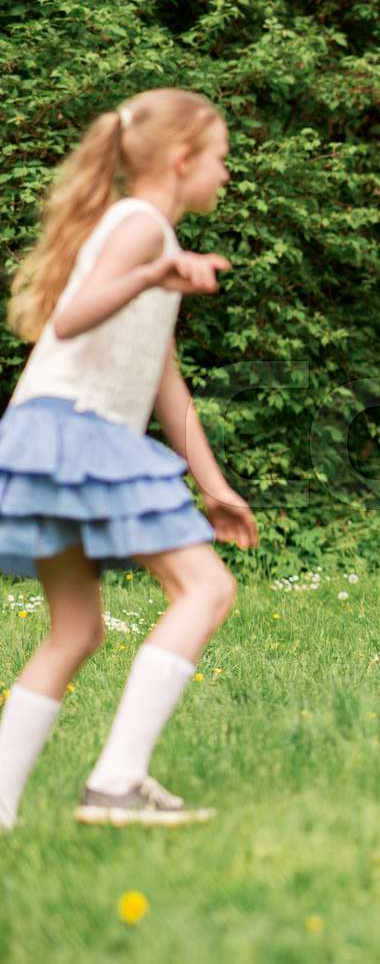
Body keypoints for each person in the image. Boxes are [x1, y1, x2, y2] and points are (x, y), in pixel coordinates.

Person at [0, 89, 258, 830]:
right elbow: (70, 317)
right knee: (205, 589)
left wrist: (213, 487)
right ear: (183, 161)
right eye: (221, 160)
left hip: (51, 434)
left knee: (76, 632)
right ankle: (115, 783)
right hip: (75, 434)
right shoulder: (141, 226)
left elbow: (162, 380)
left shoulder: (151, 238)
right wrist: (151, 274)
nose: (226, 175)